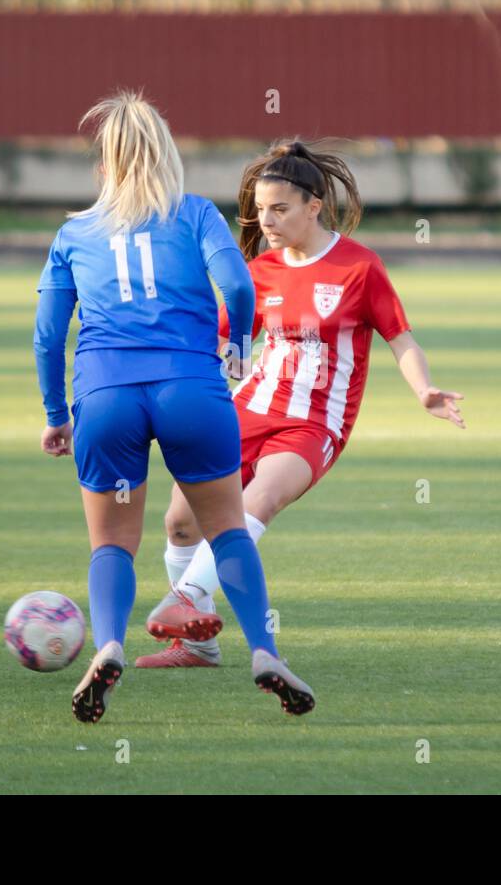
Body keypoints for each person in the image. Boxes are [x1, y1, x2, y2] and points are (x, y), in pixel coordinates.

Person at [34, 93, 315, 720]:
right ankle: (264, 651)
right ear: (167, 155)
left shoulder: (75, 232)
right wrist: (240, 347)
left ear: (104, 165)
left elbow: (49, 335)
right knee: (228, 530)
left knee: (112, 543)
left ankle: (108, 645)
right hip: (191, 390)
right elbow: (240, 284)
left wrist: (57, 413)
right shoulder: (194, 216)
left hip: (106, 397)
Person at [137, 140, 465, 668]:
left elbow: (400, 337)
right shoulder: (259, 271)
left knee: (260, 498)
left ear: (314, 206)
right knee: (179, 521)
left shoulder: (359, 268)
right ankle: (197, 644)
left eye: (279, 209)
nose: (265, 220)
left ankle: (189, 599)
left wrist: (423, 389)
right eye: (260, 210)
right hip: (247, 409)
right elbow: (221, 344)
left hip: (314, 422)